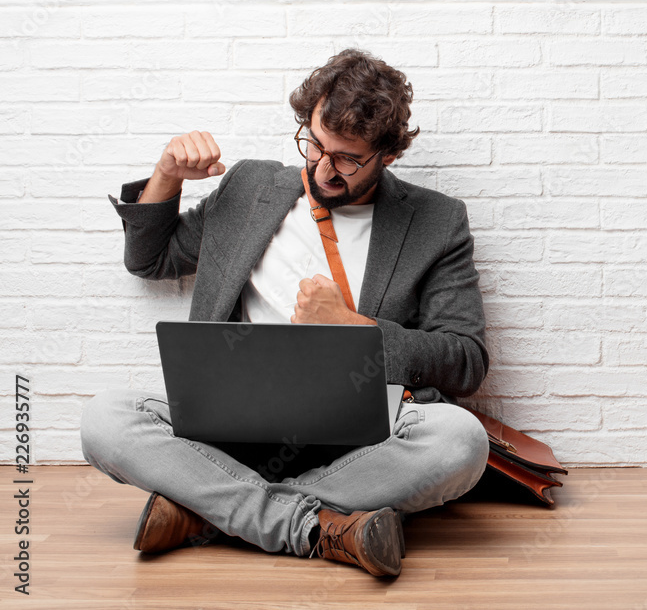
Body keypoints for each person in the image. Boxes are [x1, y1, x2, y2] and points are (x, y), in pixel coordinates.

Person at [79, 49, 491, 578]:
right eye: (315, 143)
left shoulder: (437, 220)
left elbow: (465, 360)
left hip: (363, 439)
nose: (323, 168)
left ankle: (205, 510)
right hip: (230, 427)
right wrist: (166, 175)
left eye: (346, 158)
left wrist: (355, 330)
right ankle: (319, 527)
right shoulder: (249, 188)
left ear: (387, 155)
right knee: (104, 418)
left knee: (461, 441)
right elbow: (150, 259)